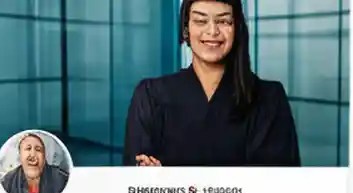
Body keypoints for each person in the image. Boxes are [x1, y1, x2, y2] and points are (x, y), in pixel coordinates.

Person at [123, 0, 301, 168]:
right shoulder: (151, 95)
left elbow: (276, 183)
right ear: (186, 30)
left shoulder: (269, 98)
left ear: (237, 29)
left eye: (223, 21)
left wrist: (169, 178)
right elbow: (137, 180)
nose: (212, 31)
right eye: (200, 21)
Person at [0, 132, 69, 193]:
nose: (33, 155)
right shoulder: (7, 182)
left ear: (44, 157)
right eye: (28, 148)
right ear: (20, 156)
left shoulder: (62, 180)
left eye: (38, 149)